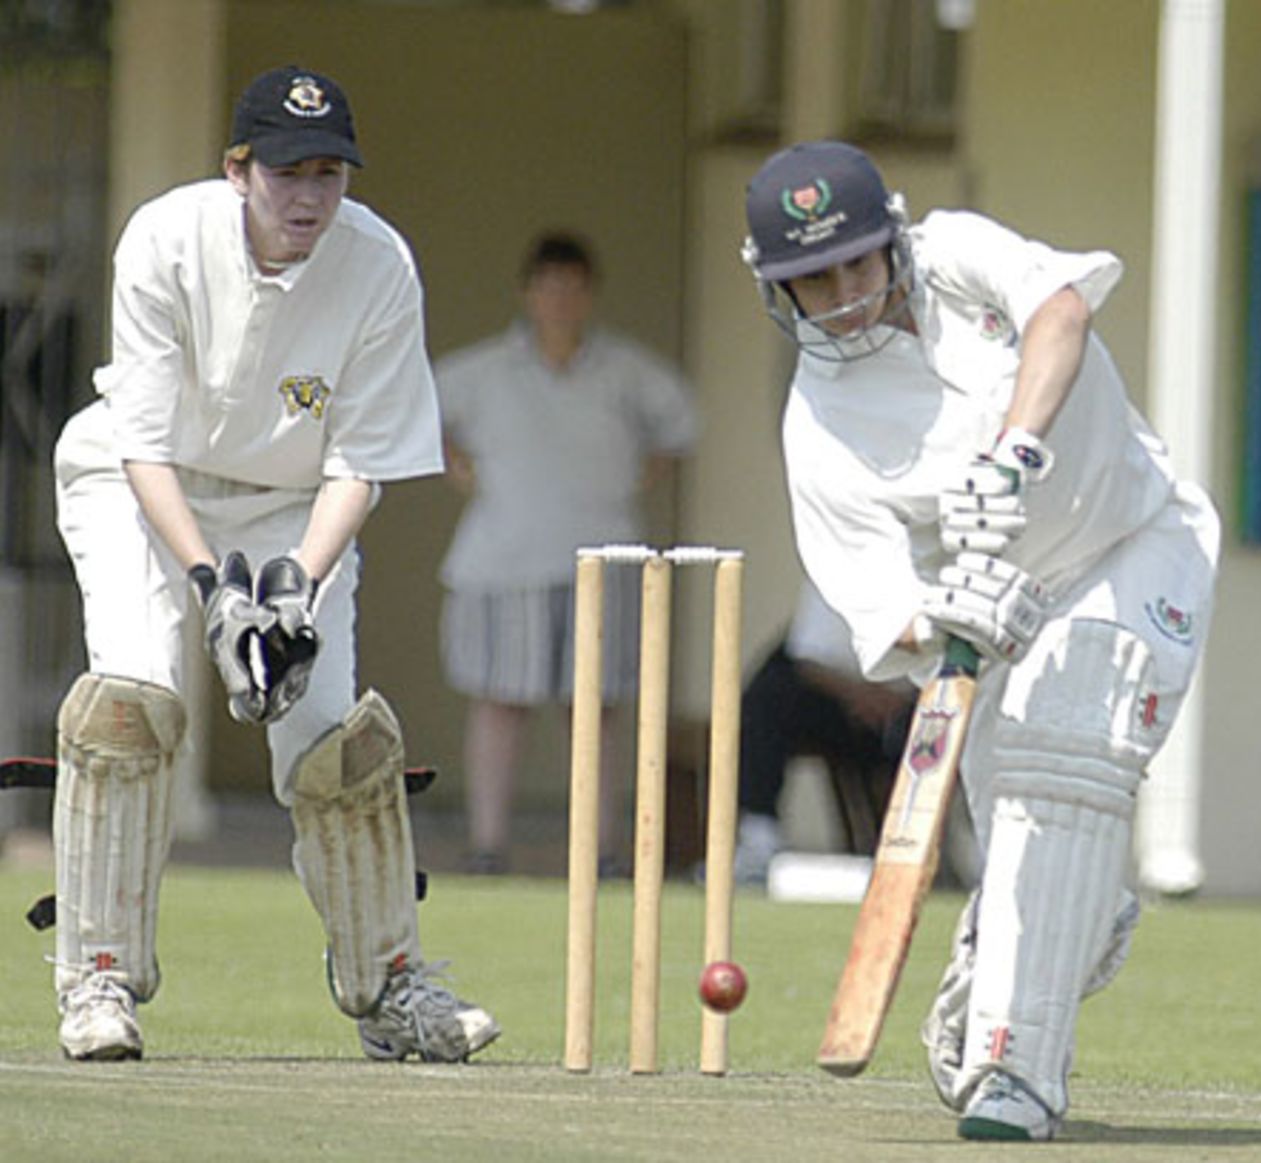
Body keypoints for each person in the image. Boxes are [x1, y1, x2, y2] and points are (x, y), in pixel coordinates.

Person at [741, 141, 1218, 1140]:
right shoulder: (820, 428)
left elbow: (1061, 311)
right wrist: (947, 616)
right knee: (1046, 856)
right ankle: (1043, 934)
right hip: (997, 618)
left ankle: (1017, 1074)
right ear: (774, 285)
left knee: (1064, 769)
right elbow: (879, 611)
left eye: (856, 265)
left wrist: (1013, 451)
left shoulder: (956, 254)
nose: (840, 297)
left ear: (894, 243)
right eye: (809, 279)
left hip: (1133, 541)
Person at [48, 66, 499, 1065]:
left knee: (336, 743)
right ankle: (99, 978)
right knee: (132, 705)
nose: (308, 196)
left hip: (295, 507)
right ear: (237, 168)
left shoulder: (377, 263)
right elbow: (143, 447)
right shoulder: (167, 240)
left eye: (328, 172)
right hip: (141, 488)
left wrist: (292, 583)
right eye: (287, 171)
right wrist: (214, 590)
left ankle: (390, 987)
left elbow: (361, 459)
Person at [435, 232, 697, 875]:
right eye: (548, 286)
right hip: (502, 558)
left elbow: (683, 425)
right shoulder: (484, 368)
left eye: (572, 287)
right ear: (528, 292)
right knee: (499, 702)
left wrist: (640, 475)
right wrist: (459, 467)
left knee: (597, 710)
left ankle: (602, 849)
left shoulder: (629, 370)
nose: (559, 300)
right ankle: (489, 842)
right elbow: (416, 416)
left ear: (589, 294)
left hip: (604, 557)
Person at [734, 578, 915, 883]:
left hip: (909, 707)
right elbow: (805, 656)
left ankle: (921, 849)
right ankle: (758, 838)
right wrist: (859, 696)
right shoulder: (839, 560)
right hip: (837, 700)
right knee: (768, 695)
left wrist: (893, 700)